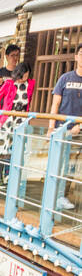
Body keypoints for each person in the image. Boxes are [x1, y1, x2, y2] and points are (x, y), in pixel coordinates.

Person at [49, 43, 82, 212]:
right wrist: (50, 128)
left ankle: (62, 195)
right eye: (81, 54)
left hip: (79, 133)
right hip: (62, 130)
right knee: (59, 164)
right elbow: (55, 103)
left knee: (72, 166)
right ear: (76, 57)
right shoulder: (65, 78)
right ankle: (56, 197)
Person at [0, 62, 33, 185]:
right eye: (23, 76)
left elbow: (29, 100)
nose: (24, 79)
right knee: (3, 148)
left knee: (18, 148)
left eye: (26, 76)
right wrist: (1, 116)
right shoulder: (9, 83)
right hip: (8, 118)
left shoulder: (31, 84)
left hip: (21, 119)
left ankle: (10, 177)